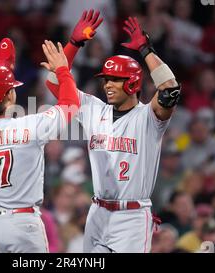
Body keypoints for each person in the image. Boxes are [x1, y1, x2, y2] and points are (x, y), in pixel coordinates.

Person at [46, 11, 181, 252]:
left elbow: (170, 90)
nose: (107, 84)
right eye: (106, 79)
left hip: (132, 217)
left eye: (114, 79)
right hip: (97, 212)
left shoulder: (148, 117)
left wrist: (146, 51)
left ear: (132, 83)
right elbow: (55, 84)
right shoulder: (93, 109)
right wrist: (74, 44)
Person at [0, 40, 79, 253]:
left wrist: (2, 67)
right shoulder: (29, 126)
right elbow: (70, 105)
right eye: (11, 89)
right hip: (24, 225)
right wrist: (62, 69)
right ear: (9, 96)